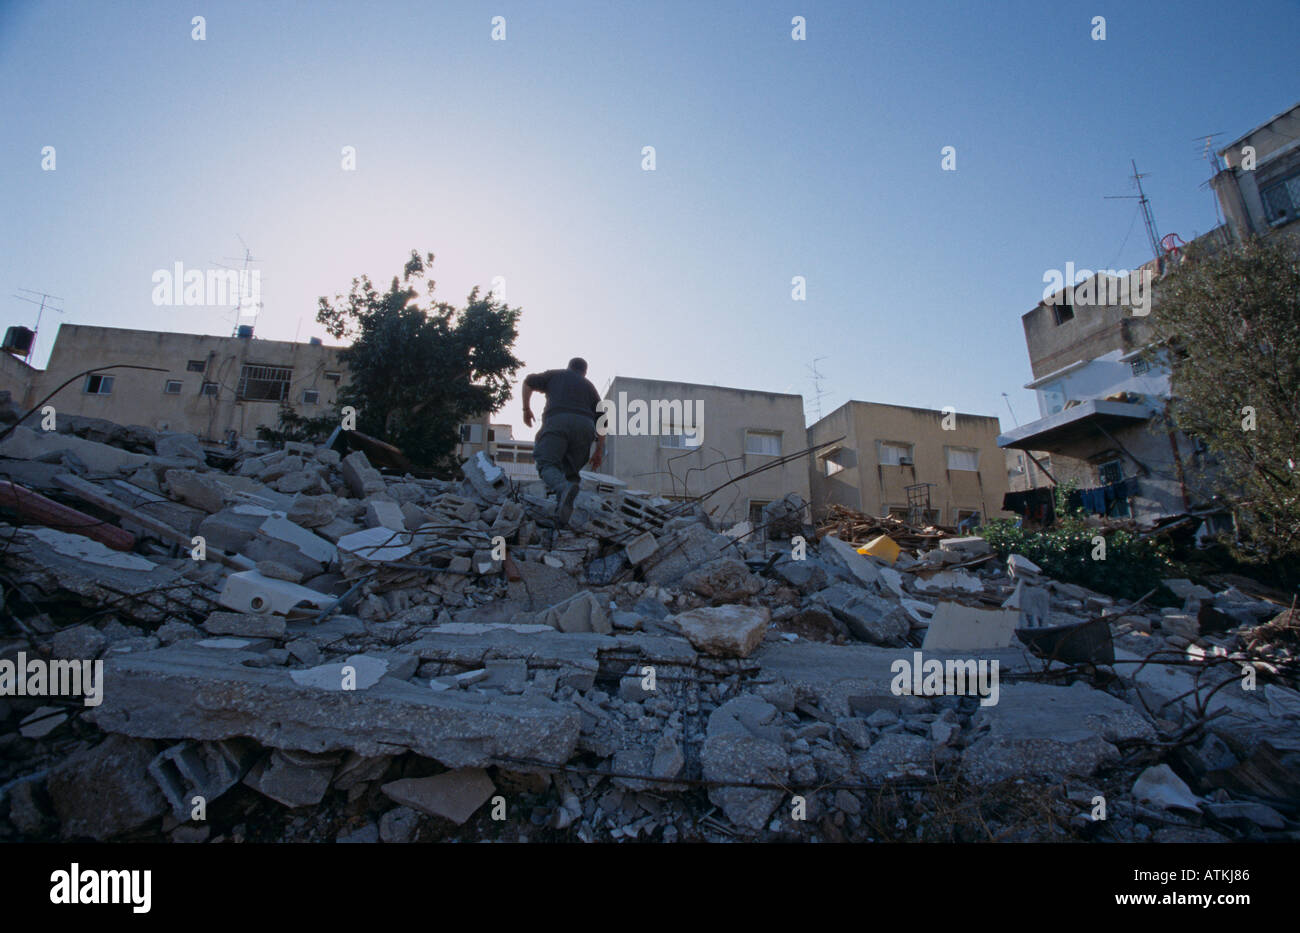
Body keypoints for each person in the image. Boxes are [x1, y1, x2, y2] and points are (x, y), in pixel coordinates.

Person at [522, 357, 604, 526]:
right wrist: (598, 452)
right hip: (585, 428)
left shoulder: (556, 375)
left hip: (558, 420)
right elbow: (603, 421)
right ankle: (565, 519)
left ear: (569, 367)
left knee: (546, 464)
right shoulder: (590, 387)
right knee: (572, 475)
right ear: (584, 372)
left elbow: (528, 382)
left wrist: (526, 409)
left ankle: (562, 487)